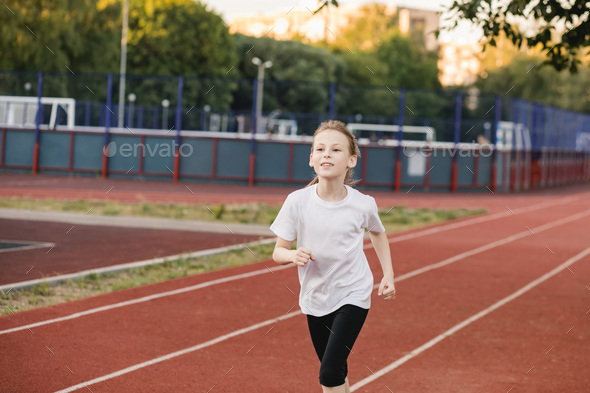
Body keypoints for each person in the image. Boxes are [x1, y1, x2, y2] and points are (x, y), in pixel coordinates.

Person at [270, 120, 396, 393]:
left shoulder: (363, 203)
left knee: (328, 372)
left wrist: (388, 274)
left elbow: (377, 232)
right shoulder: (296, 202)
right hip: (315, 296)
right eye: (321, 149)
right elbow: (277, 252)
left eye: (336, 150)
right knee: (337, 372)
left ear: (351, 160)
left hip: (353, 293)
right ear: (312, 159)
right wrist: (292, 255)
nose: (327, 154)